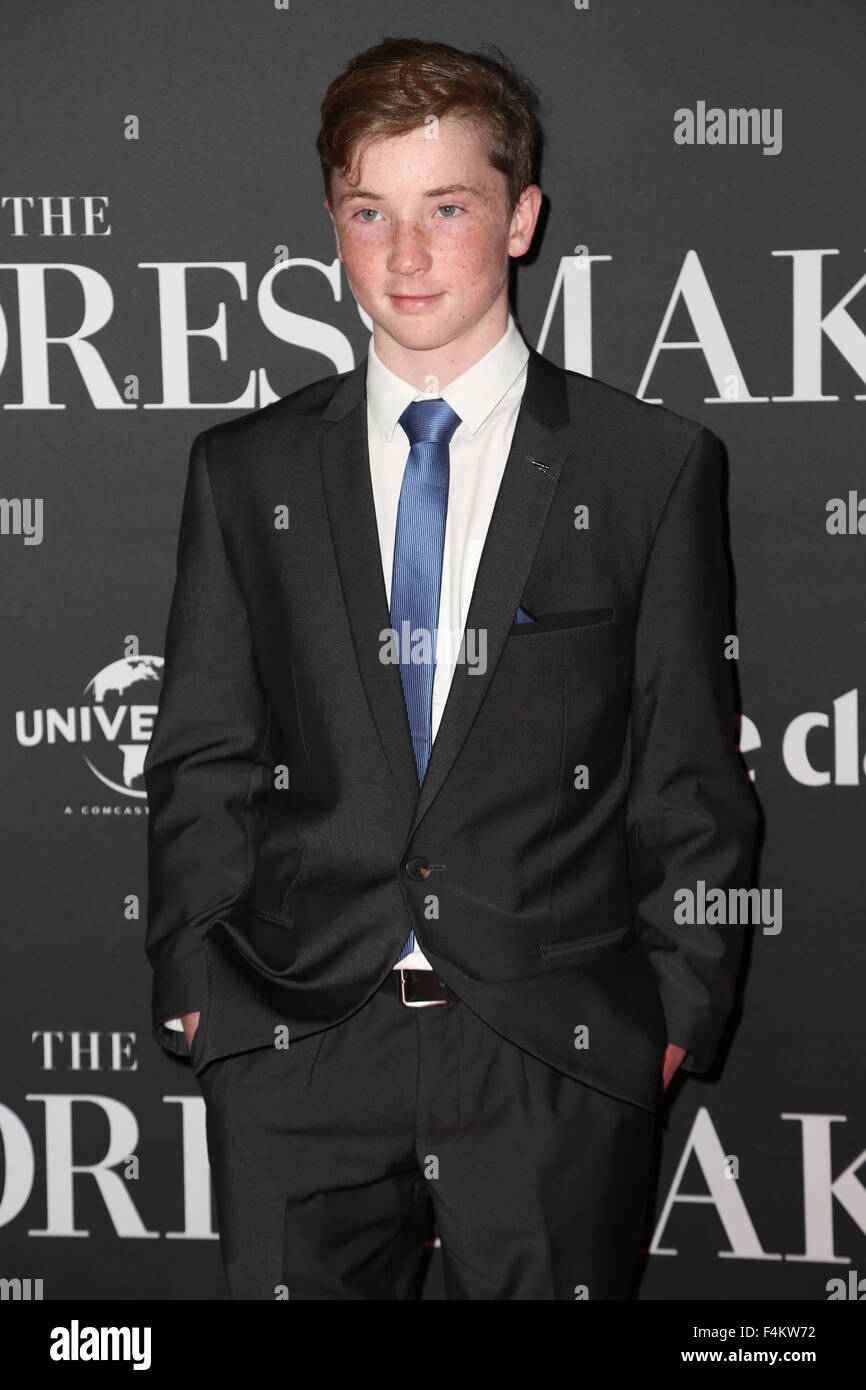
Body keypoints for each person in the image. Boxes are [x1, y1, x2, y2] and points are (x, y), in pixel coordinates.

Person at [143, 36, 758, 1300]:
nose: (405, 255)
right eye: (369, 212)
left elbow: (689, 774)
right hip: (298, 1041)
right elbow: (202, 751)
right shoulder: (245, 470)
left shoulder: (645, 468)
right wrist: (200, 993)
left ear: (520, 218)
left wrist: (672, 1014)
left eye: (448, 208)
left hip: (550, 1051)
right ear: (333, 222)